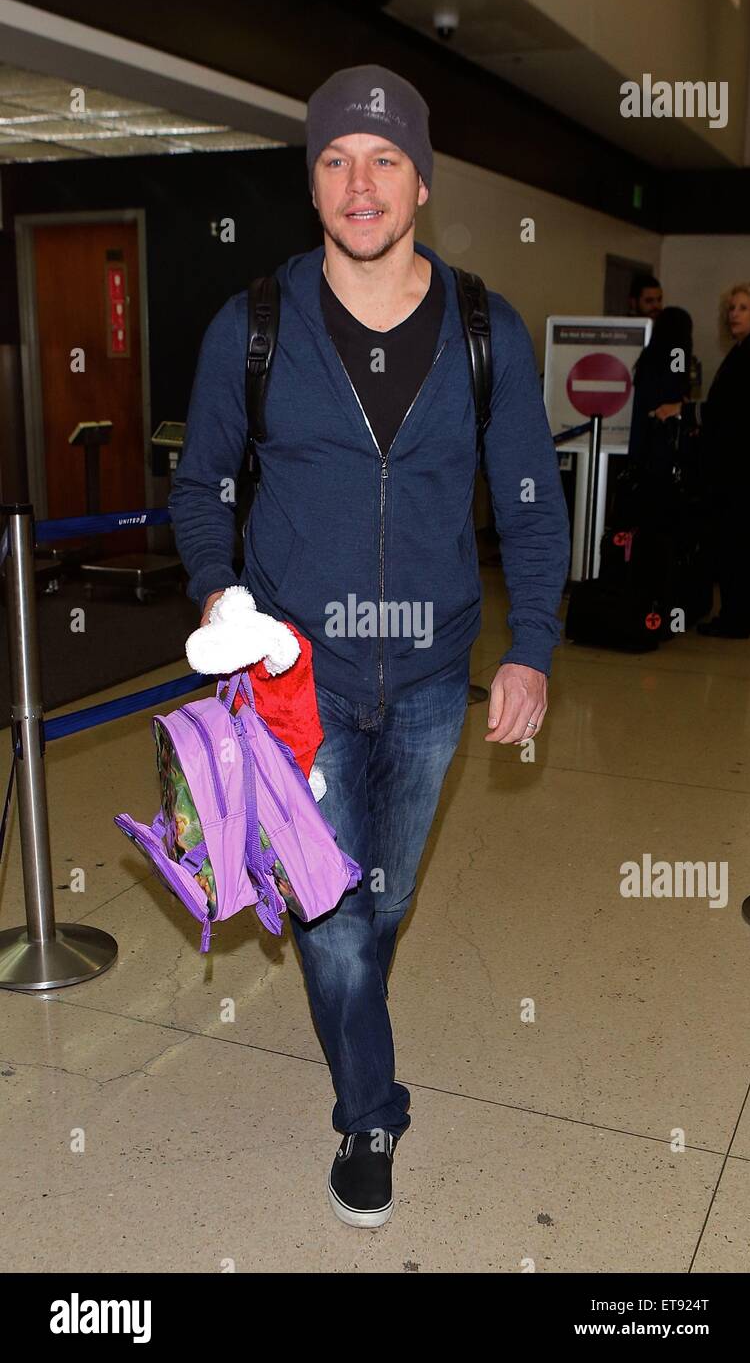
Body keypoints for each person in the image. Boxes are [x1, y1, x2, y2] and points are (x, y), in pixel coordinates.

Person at [169, 64, 570, 1228]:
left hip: (439, 672)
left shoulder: (486, 328)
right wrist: (212, 593)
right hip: (297, 678)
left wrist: (532, 645)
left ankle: (356, 1019)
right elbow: (201, 486)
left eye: (385, 159)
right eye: (337, 159)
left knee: (377, 907)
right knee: (333, 916)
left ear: (423, 182)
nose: (361, 183)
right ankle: (370, 1112)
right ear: (312, 181)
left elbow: (534, 503)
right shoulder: (254, 324)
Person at [654, 282, 750, 637]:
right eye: (731, 308)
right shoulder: (741, 351)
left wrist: (686, 412)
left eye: (743, 307)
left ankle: (737, 618)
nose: (734, 314)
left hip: (738, 467)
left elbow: (732, 410)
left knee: (735, 541)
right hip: (733, 463)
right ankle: (740, 613)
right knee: (737, 540)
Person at [628, 306, 693, 470]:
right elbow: (677, 382)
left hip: (643, 434)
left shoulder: (650, 353)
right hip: (665, 433)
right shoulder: (678, 350)